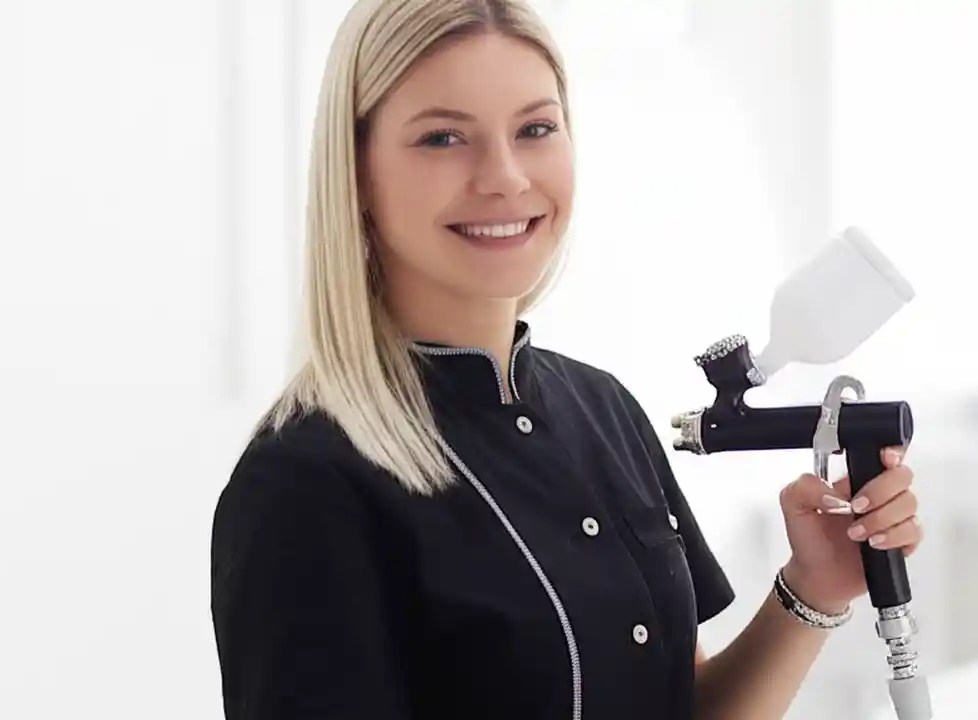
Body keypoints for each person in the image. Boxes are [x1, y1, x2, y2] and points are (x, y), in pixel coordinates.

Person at [208, 1, 924, 718]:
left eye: (535, 129)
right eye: (443, 137)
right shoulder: (304, 482)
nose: (505, 176)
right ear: (357, 170)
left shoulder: (603, 409)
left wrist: (813, 589)